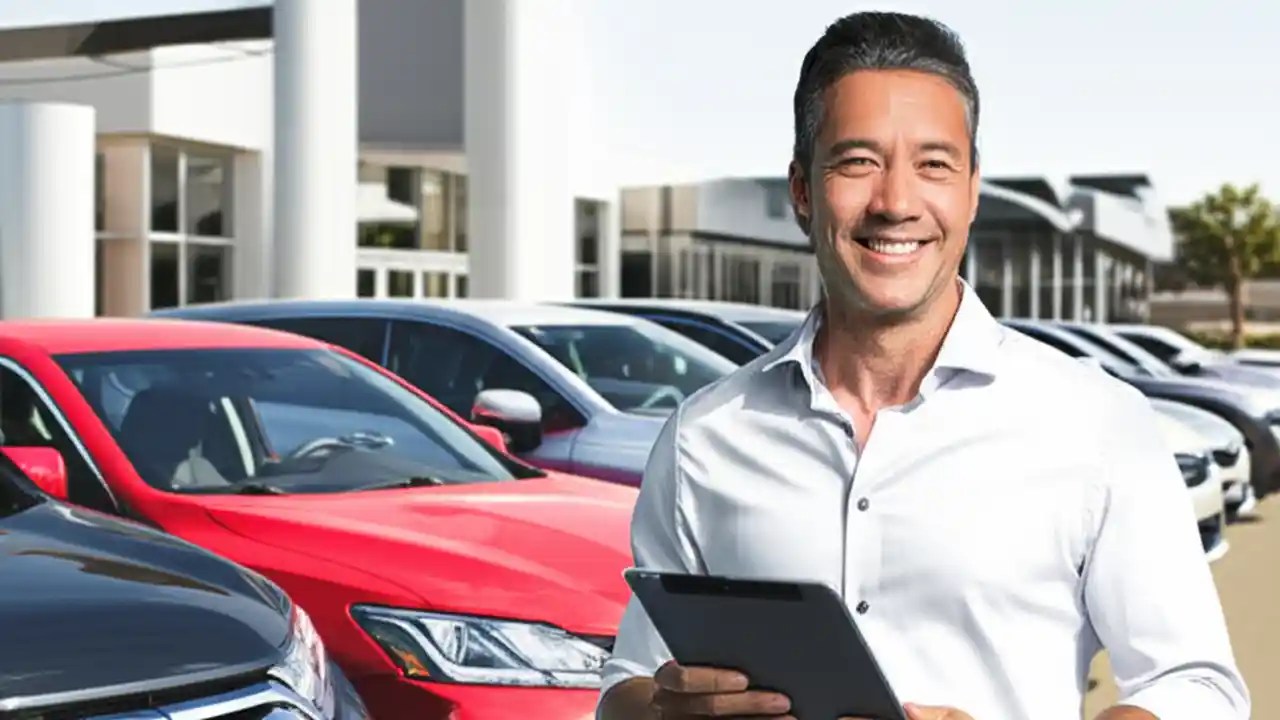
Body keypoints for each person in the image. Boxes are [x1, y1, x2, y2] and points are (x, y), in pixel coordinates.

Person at [596, 10, 1249, 720]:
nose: (896, 203)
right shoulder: (704, 438)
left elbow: (1198, 690)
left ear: (971, 192)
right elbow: (626, 684)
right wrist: (660, 712)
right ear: (803, 192)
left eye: (933, 165)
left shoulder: (1095, 423)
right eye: (857, 161)